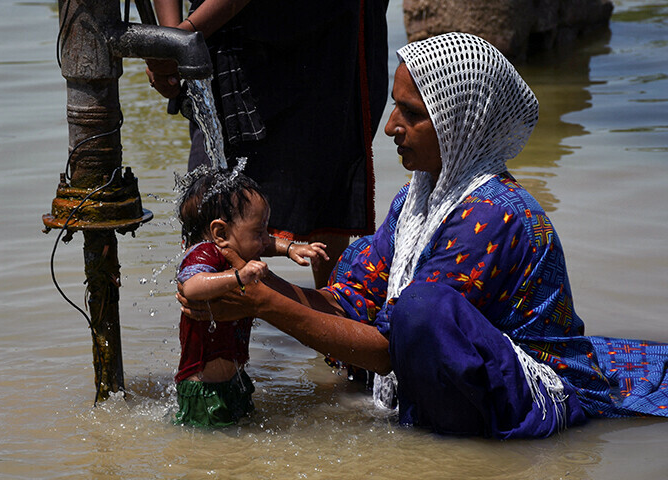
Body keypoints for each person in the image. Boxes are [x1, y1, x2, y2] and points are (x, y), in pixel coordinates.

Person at [177, 32, 668, 438]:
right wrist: (241, 282)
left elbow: (394, 349)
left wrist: (262, 303)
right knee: (391, 297)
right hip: (457, 367)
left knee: (421, 310)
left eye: (411, 113)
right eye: (395, 108)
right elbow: (347, 304)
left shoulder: (491, 215)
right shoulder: (416, 201)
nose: (391, 126)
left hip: (532, 388)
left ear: (460, 126)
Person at [146, 0, 389, 288]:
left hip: (320, 33)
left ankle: (334, 310)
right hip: (216, 30)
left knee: (322, 181)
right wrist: (172, 39)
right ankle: (219, 301)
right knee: (211, 200)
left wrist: (180, 40)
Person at [172, 163, 328, 427]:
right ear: (220, 233)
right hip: (203, 389)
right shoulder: (204, 254)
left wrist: (290, 249)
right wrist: (238, 277)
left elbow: (263, 243)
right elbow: (191, 287)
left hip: (233, 379)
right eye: (258, 232)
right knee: (207, 453)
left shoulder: (231, 245)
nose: (265, 240)